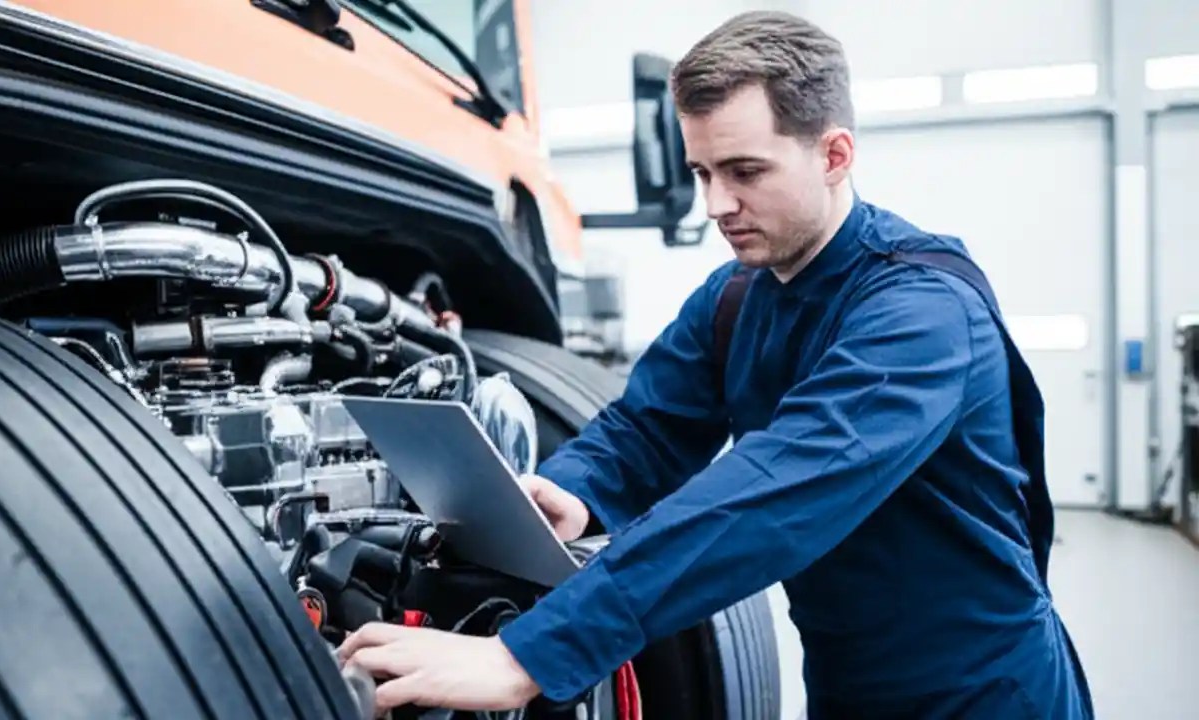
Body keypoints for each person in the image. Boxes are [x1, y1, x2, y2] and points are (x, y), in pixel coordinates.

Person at [337, 10, 1095, 719]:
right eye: (701, 173)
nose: (716, 204)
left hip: (985, 688)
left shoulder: (923, 316)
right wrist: (572, 490)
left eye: (745, 171)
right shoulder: (737, 297)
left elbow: (772, 495)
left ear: (834, 155)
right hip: (847, 681)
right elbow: (646, 429)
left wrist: (526, 656)